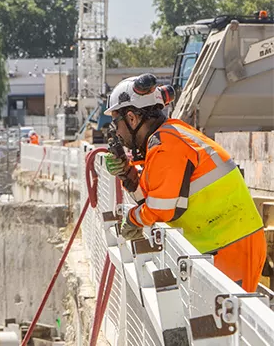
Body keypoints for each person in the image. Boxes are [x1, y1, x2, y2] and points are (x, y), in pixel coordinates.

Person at [103, 74, 266, 293]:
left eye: (116, 122)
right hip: (224, 243)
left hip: (232, 246)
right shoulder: (165, 139)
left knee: (229, 322)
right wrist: (128, 175)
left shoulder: (167, 145)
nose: (117, 132)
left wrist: (132, 219)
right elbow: (152, 197)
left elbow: (161, 209)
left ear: (131, 118)